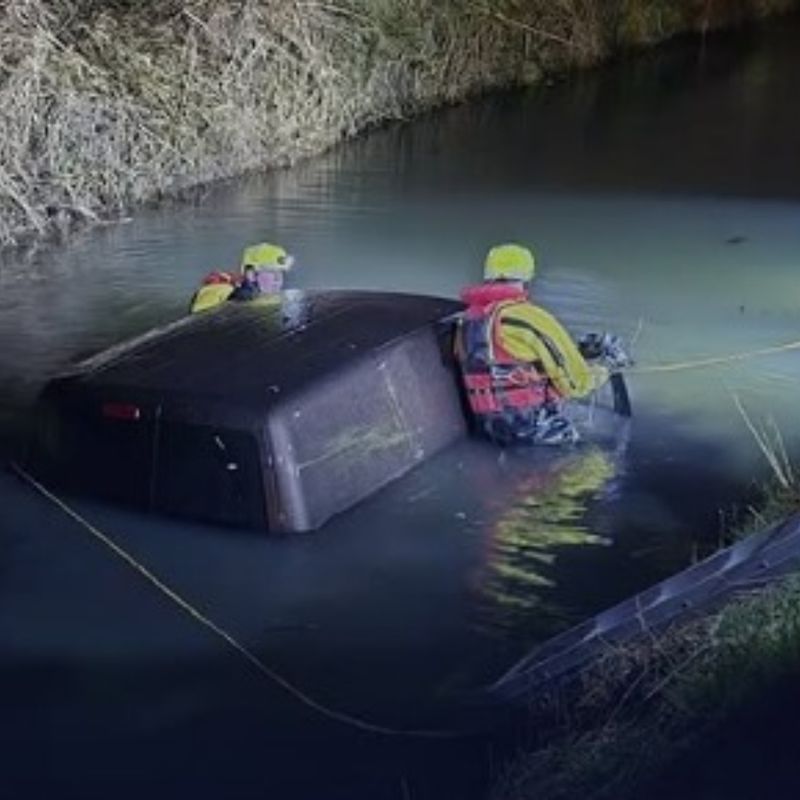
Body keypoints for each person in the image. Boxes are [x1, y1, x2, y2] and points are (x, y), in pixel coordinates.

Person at [455, 243, 607, 446]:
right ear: (528, 278)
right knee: (595, 458)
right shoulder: (529, 318)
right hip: (533, 427)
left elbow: (496, 366)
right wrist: (600, 373)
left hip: (488, 428)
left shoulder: (467, 320)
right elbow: (575, 384)